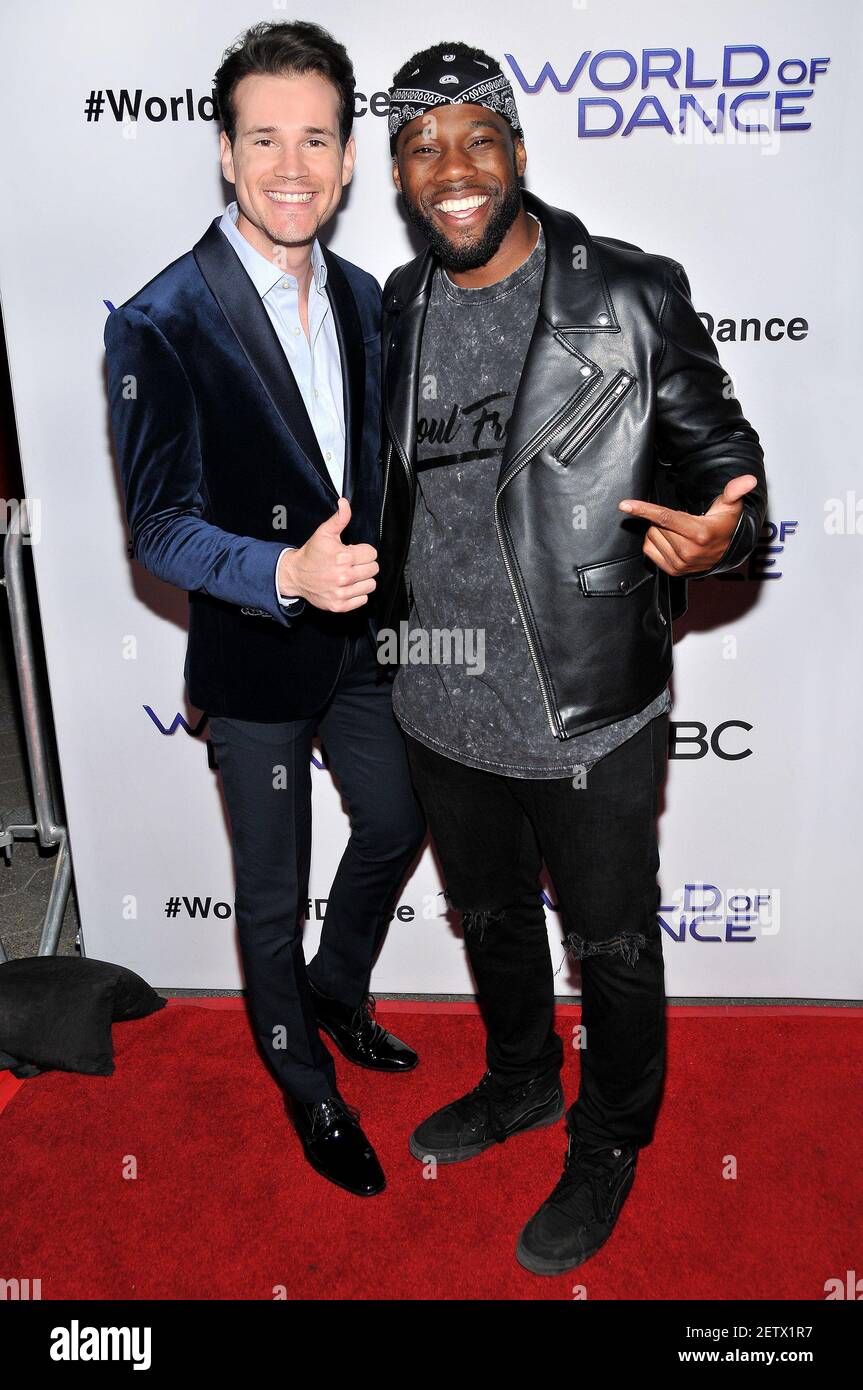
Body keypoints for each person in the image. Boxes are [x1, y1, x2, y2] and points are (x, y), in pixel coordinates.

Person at [376, 41, 768, 1273]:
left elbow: (727, 474)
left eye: (474, 140)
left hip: (585, 702)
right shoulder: (396, 303)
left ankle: (608, 1137)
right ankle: (520, 1080)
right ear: (398, 173)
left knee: (609, 941)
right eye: (421, 146)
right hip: (438, 699)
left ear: (517, 156)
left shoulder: (629, 295)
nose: (451, 168)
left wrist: (721, 534)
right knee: (489, 918)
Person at [104, 20, 426, 1200]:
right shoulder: (160, 320)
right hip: (252, 656)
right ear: (227, 158)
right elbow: (158, 528)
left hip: (360, 648)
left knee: (393, 826)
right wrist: (285, 575)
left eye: (317, 138)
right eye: (264, 138)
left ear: (346, 160)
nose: (292, 164)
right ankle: (307, 1088)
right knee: (269, 897)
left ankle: (338, 991)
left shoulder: (360, 296)